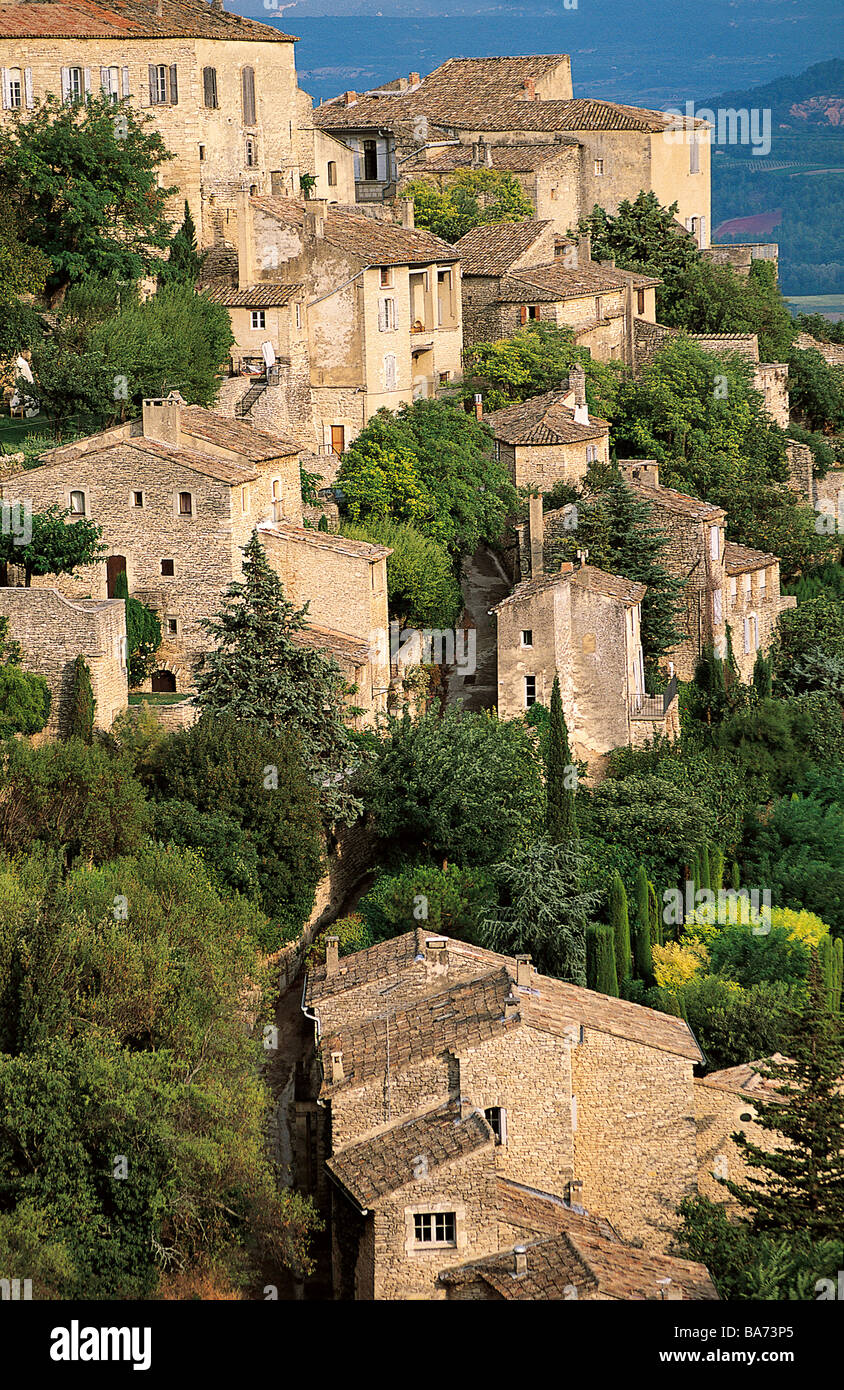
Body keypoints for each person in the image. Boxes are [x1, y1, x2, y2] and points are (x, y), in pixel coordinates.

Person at [9, 349, 39, 418]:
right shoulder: (23, 363)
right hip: (25, 383)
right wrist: (31, 383)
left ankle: (15, 411)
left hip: (19, 383)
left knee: (18, 397)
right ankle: (29, 413)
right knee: (29, 397)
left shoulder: (18, 362)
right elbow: (28, 376)